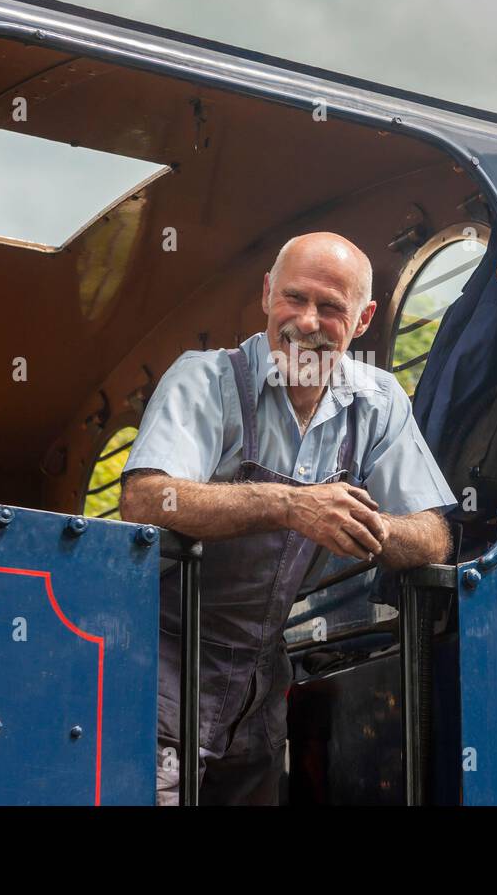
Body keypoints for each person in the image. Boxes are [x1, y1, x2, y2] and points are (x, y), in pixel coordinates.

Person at [120, 231, 456, 805]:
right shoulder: (205, 379)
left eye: (330, 307)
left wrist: (370, 528)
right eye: (293, 299)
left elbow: (435, 536)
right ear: (266, 294)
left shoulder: (379, 401)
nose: (306, 321)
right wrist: (293, 505)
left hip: (262, 692)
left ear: (364, 318)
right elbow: (147, 498)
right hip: (160, 673)